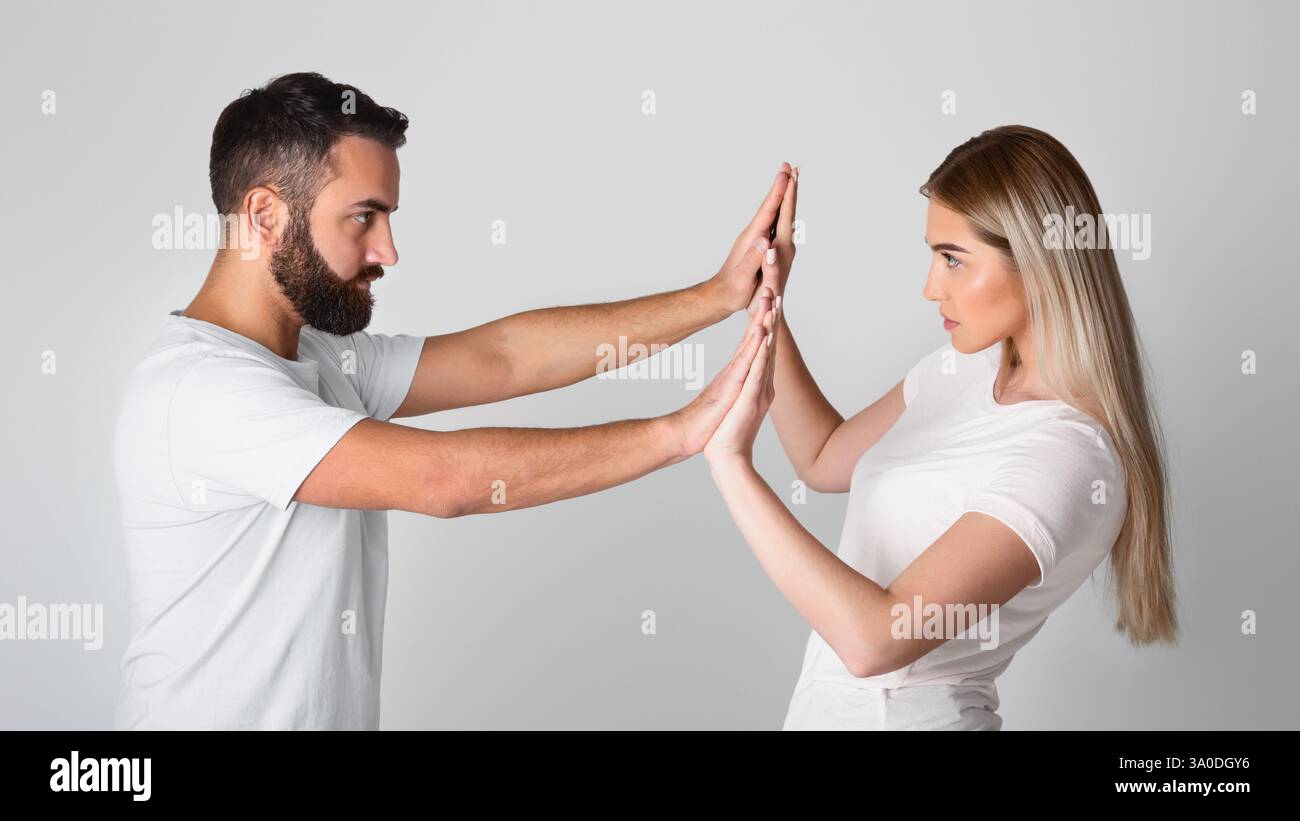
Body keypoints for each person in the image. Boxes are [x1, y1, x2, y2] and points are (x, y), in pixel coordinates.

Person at [111, 71, 785, 729]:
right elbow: (448, 480)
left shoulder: (315, 356)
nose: (389, 251)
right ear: (264, 215)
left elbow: (504, 357)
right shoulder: (200, 389)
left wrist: (717, 296)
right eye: (363, 217)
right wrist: (680, 432)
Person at [702, 125, 1179, 730]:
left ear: (1039, 261)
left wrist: (729, 465)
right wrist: (767, 304)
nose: (931, 288)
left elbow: (877, 639)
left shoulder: (1071, 458)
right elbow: (821, 457)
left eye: (953, 259)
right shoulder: (961, 370)